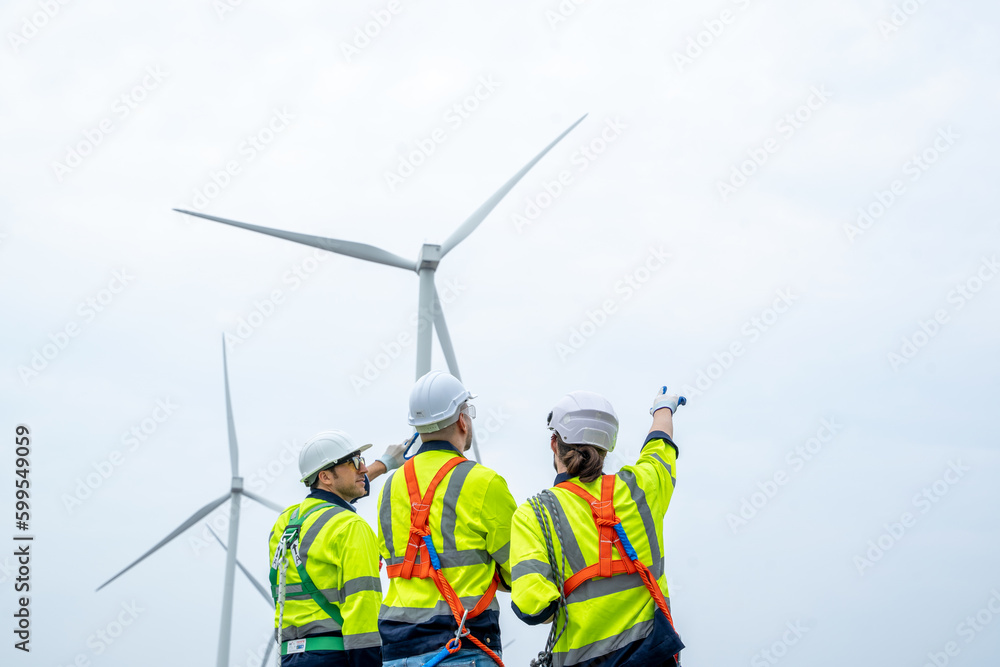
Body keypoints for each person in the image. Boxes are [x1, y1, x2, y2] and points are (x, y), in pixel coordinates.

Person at [509, 387, 686, 666]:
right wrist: (663, 409)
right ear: (605, 448)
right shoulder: (641, 488)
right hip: (652, 655)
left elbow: (534, 608)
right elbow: (660, 448)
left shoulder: (534, 514)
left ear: (554, 443)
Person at [378, 371, 517, 666]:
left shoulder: (390, 486)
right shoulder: (483, 482)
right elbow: (518, 568)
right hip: (462, 645)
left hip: (396, 650)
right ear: (462, 420)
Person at [269, 430, 407, 666]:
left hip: (291, 657)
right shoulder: (350, 526)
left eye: (362, 461)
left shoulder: (286, 522)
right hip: (336, 657)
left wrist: (383, 464)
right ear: (325, 477)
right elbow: (362, 606)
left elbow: (333, 499)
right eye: (354, 463)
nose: (363, 469)